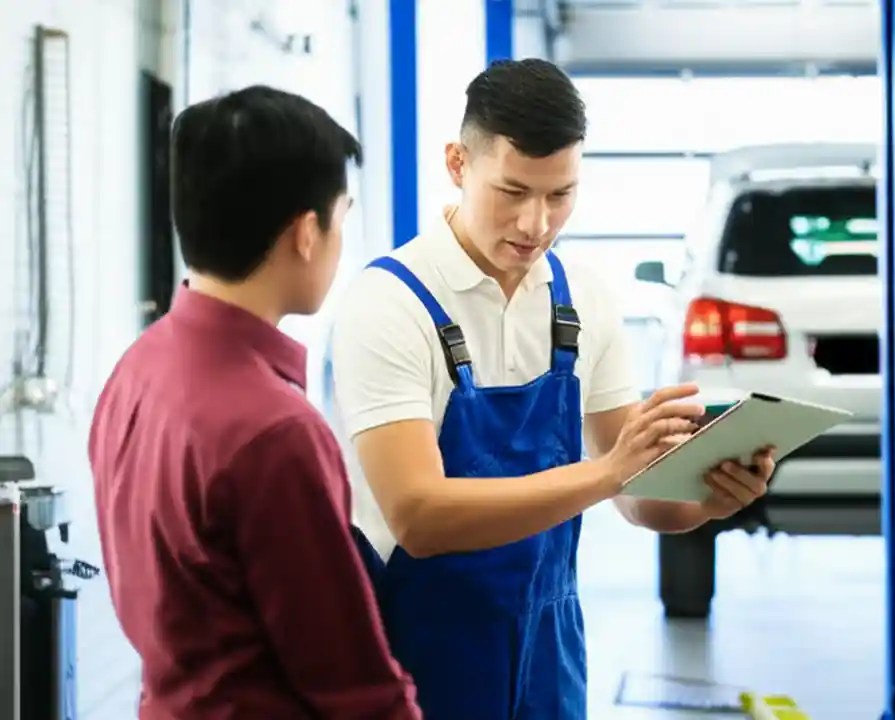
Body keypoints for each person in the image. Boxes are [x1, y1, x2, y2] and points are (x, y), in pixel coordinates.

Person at [329, 58, 776, 719]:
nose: (536, 224)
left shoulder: (582, 298)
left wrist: (707, 498)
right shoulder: (390, 303)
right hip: (418, 663)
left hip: (549, 655)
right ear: (458, 164)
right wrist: (609, 473)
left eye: (559, 195)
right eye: (512, 191)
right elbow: (418, 518)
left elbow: (637, 496)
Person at [88, 85, 420, 719]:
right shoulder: (274, 430)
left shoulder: (136, 370)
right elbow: (353, 685)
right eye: (341, 218)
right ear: (305, 233)